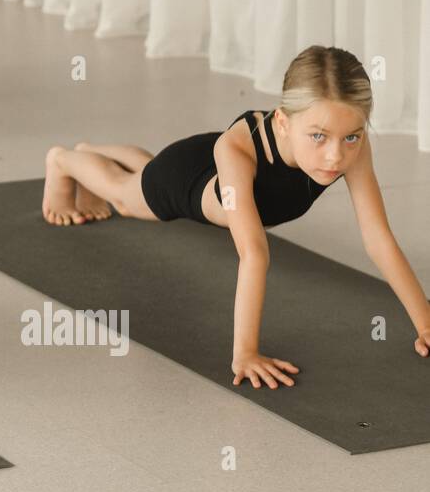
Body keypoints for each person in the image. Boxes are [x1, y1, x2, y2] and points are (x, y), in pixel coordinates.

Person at [40, 45, 430, 390]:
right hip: (186, 178)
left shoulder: (349, 144)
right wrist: (245, 353)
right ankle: (63, 161)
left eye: (351, 136)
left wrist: (426, 324)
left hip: (201, 169)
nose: (335, 156)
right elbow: (253, 253)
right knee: (128, 199)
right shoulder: (238, 149)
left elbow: (378, 238)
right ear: (283, 122)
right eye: (318, 137)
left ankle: (93, 150)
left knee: (143, 173)